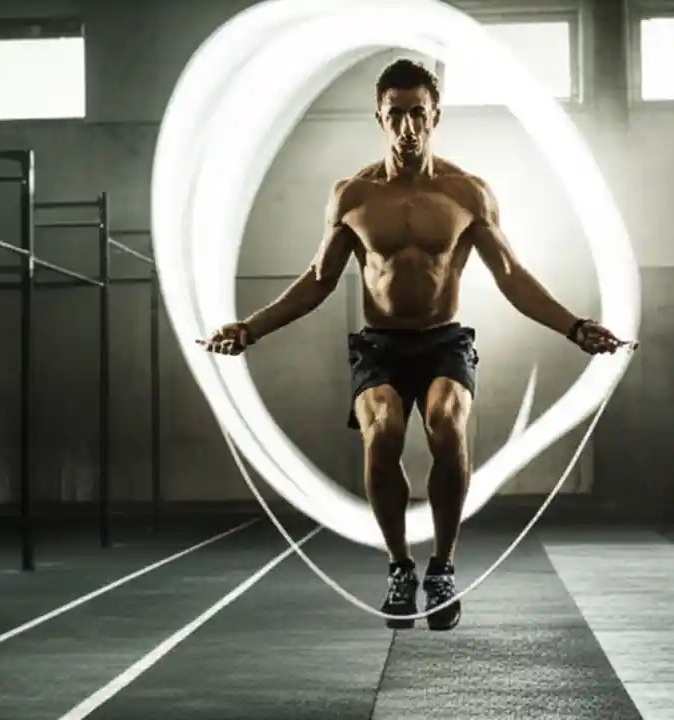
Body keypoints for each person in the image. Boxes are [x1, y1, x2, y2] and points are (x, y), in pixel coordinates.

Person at [199, 58, 630, 631]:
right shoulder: (352, 196)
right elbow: (318, 281)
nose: (408, 127)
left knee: (446, 425)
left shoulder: (467, 193)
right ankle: (401, 567)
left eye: (418, 114)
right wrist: (249, 328)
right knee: (384, 434)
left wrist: (574, 327)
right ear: (380, 117)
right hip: (380, 345)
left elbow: (511, 276)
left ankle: (443, 567)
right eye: (396, 114)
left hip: (444, 341)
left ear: (435, 117)